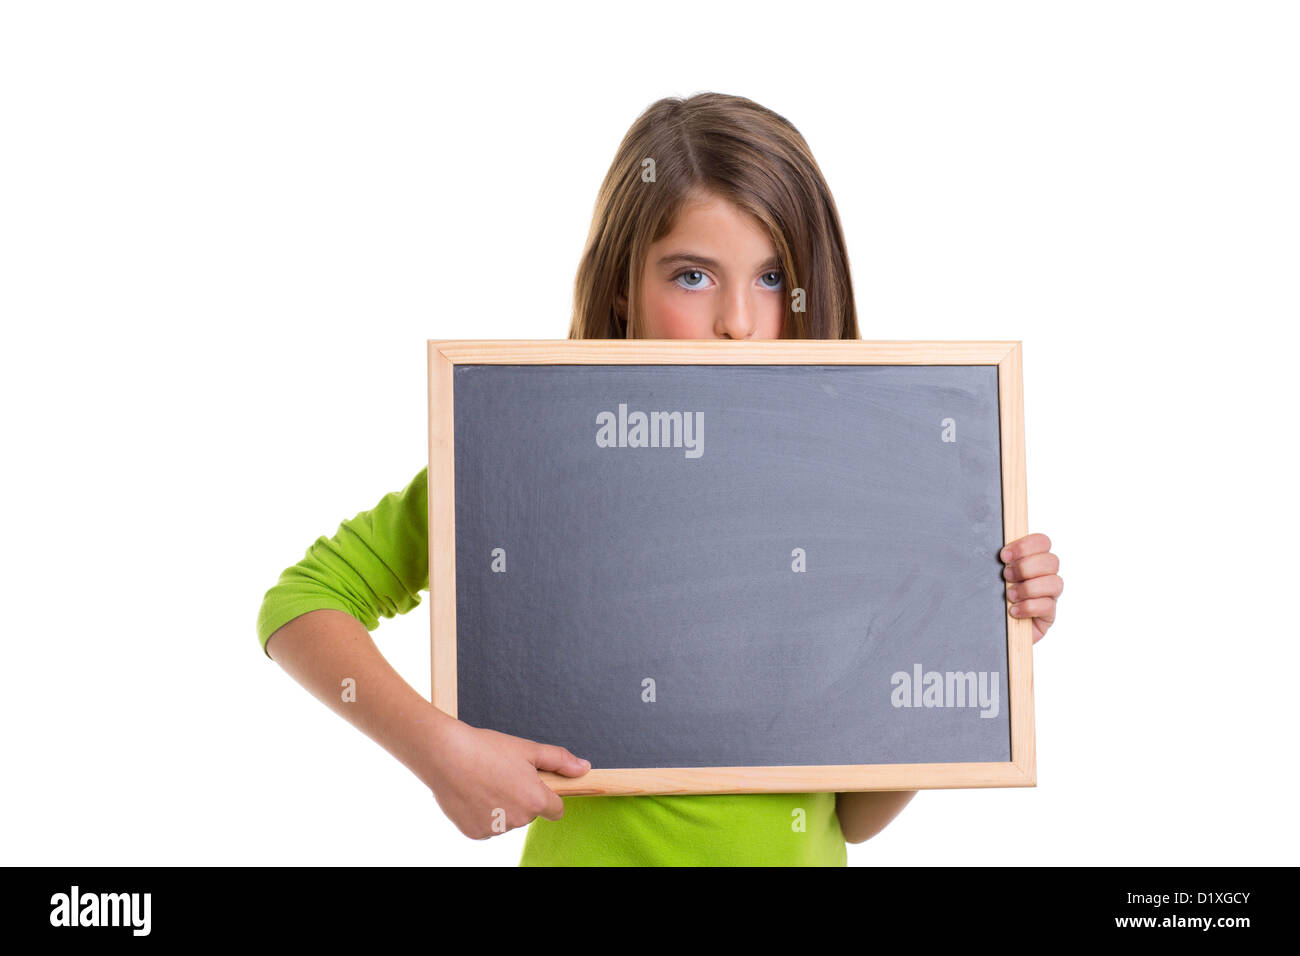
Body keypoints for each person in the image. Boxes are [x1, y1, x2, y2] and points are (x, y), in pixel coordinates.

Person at [257, 92, 1065, 865]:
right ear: (621, 286)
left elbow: (855, 817)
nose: (739, 322)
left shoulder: (845, 497)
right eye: (692, 275)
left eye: (773, 277)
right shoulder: (528, 460)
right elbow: (300, 603)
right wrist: (440, 752)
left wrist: (976, 640)